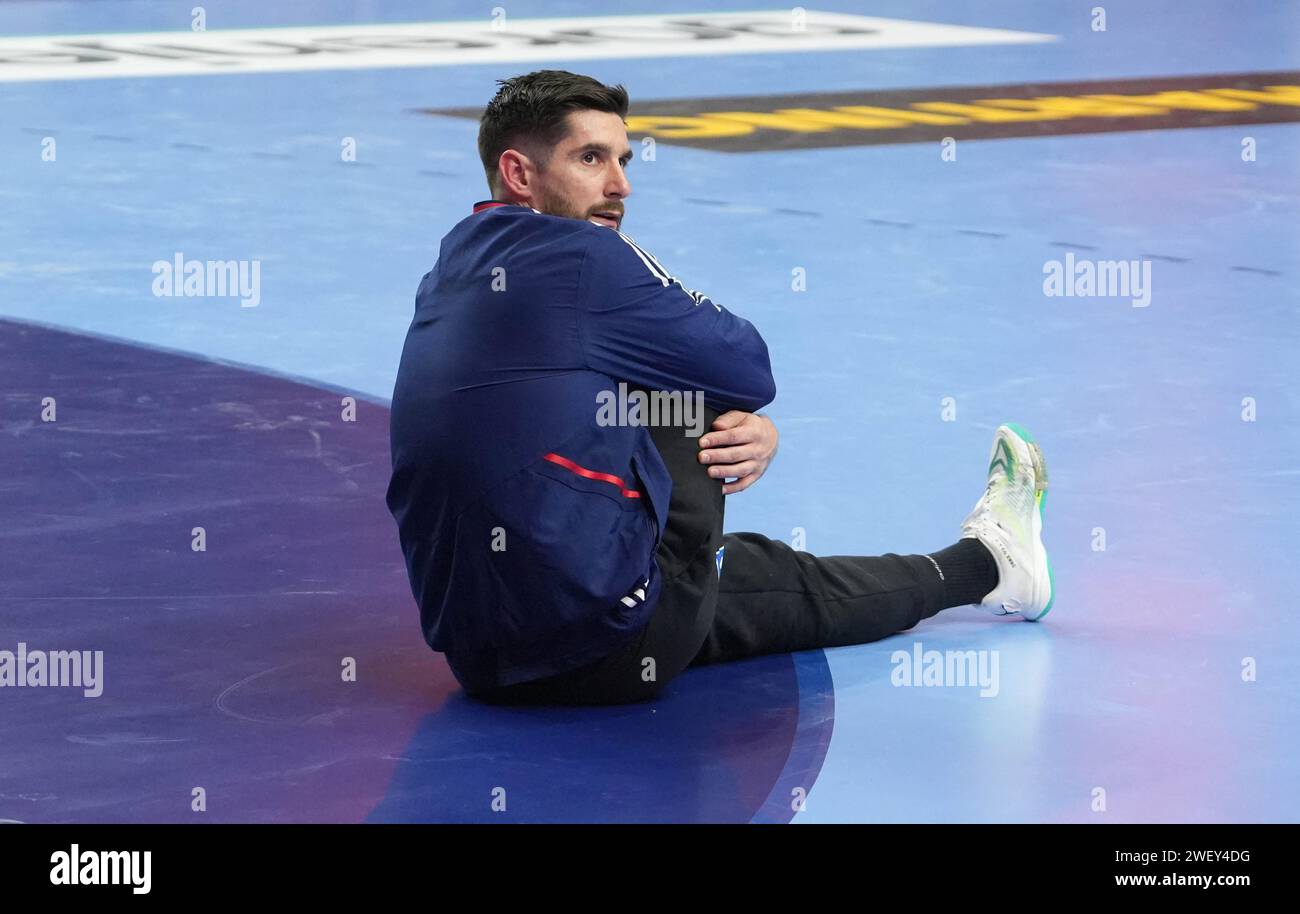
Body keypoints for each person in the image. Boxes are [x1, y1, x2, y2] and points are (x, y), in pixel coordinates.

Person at [385, 69, 1055, 706]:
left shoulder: (456, 261)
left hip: (485, 659)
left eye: (624, 161)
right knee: (698, 400)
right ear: (519, 173)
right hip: (606, 646)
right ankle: (992, 561)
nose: (619, 185)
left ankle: (991, 563)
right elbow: (746, 367)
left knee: (771, 583)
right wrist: (743, 423)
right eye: (591, 159)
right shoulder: (586, 256)